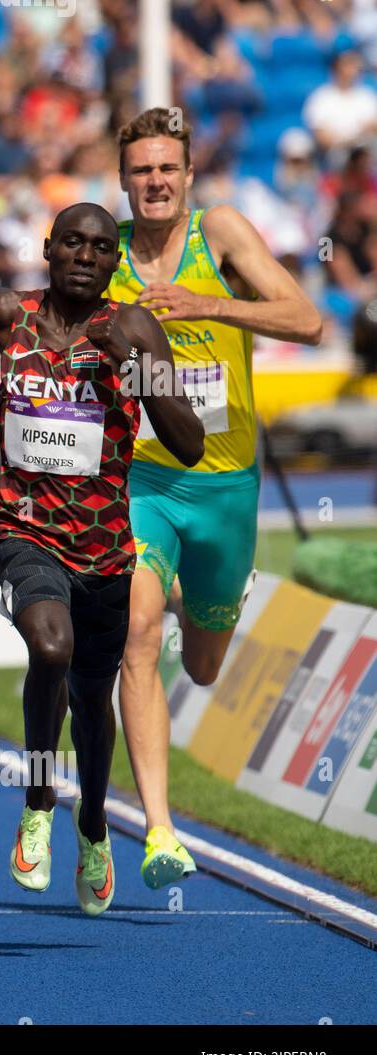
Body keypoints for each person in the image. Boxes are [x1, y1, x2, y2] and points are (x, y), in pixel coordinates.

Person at [0, 203, 204, 916]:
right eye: (72, 241)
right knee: (50, 645)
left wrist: (142, 377)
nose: (85, 254)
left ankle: (95, 822)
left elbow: (189, 443)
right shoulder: (8, 312)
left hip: (104, 546)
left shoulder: (131, 329)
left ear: (113, 263)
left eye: (102, 248)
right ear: (48, 247)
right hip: (25, 527)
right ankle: (39, 798)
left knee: (92, 700)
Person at [108, 108, 323, 887]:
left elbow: (309, 320)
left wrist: (211, 306)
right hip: (144, 478)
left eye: (167, 168)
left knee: (200, 664)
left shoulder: (220, 233)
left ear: (189, 175)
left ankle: (205, 595)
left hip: (226, 488)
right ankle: (160, 829)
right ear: (124, 178)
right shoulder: (110, 254)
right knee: (136, 628)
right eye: (140, 171)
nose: (155, 182)